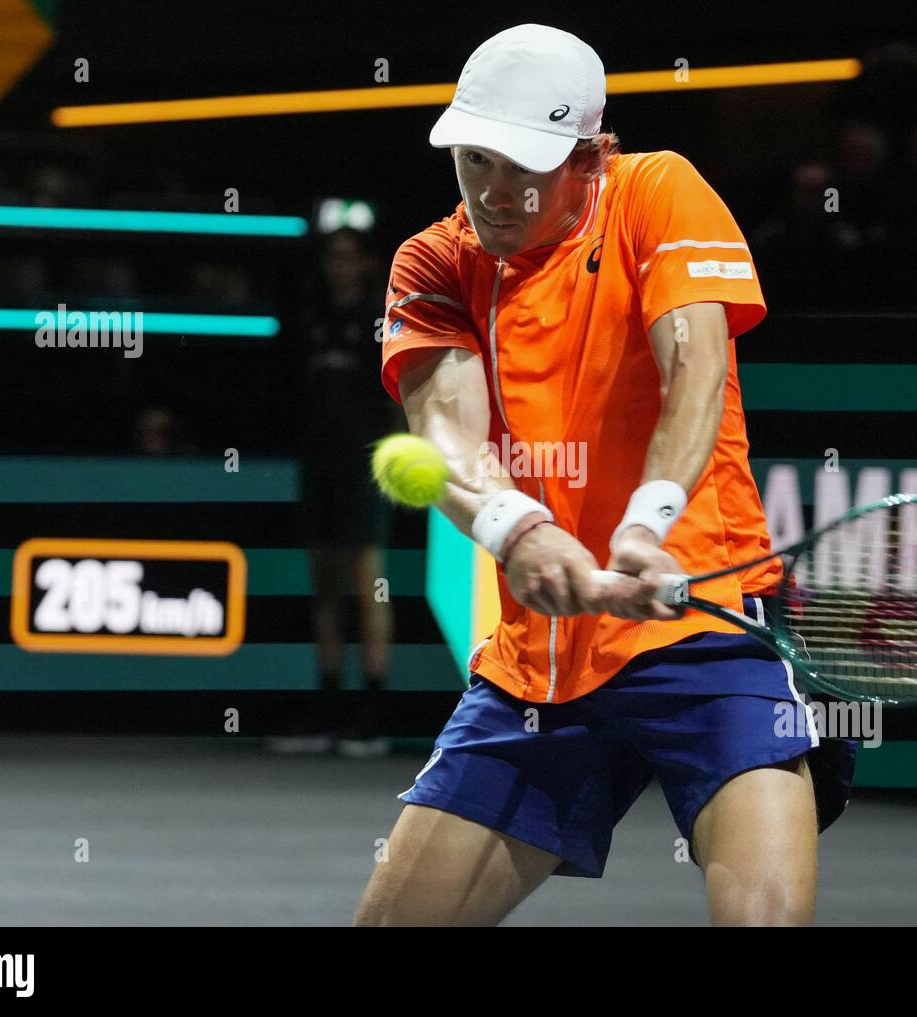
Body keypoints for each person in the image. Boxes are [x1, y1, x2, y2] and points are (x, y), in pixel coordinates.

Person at [355, 24, 856, 926]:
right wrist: (517, 529)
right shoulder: (433, 260)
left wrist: (643, 527)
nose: (495, 191)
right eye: (475, 160)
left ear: (590, 153)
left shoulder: (659, 190)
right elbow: (443, 435)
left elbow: (696, 369)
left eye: (524, 167)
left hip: (707, 635)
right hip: (539, 665)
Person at [276, 227, 397, 758]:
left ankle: (371, 713)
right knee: (323, 585)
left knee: (368, 584)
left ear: (366, 263)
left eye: (349, 257)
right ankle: (327, 706)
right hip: (318, 466)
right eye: (333, 258)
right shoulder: (310, 320)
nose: (339, 266)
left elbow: (398, 396)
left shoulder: (381, 320)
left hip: (366, 469)